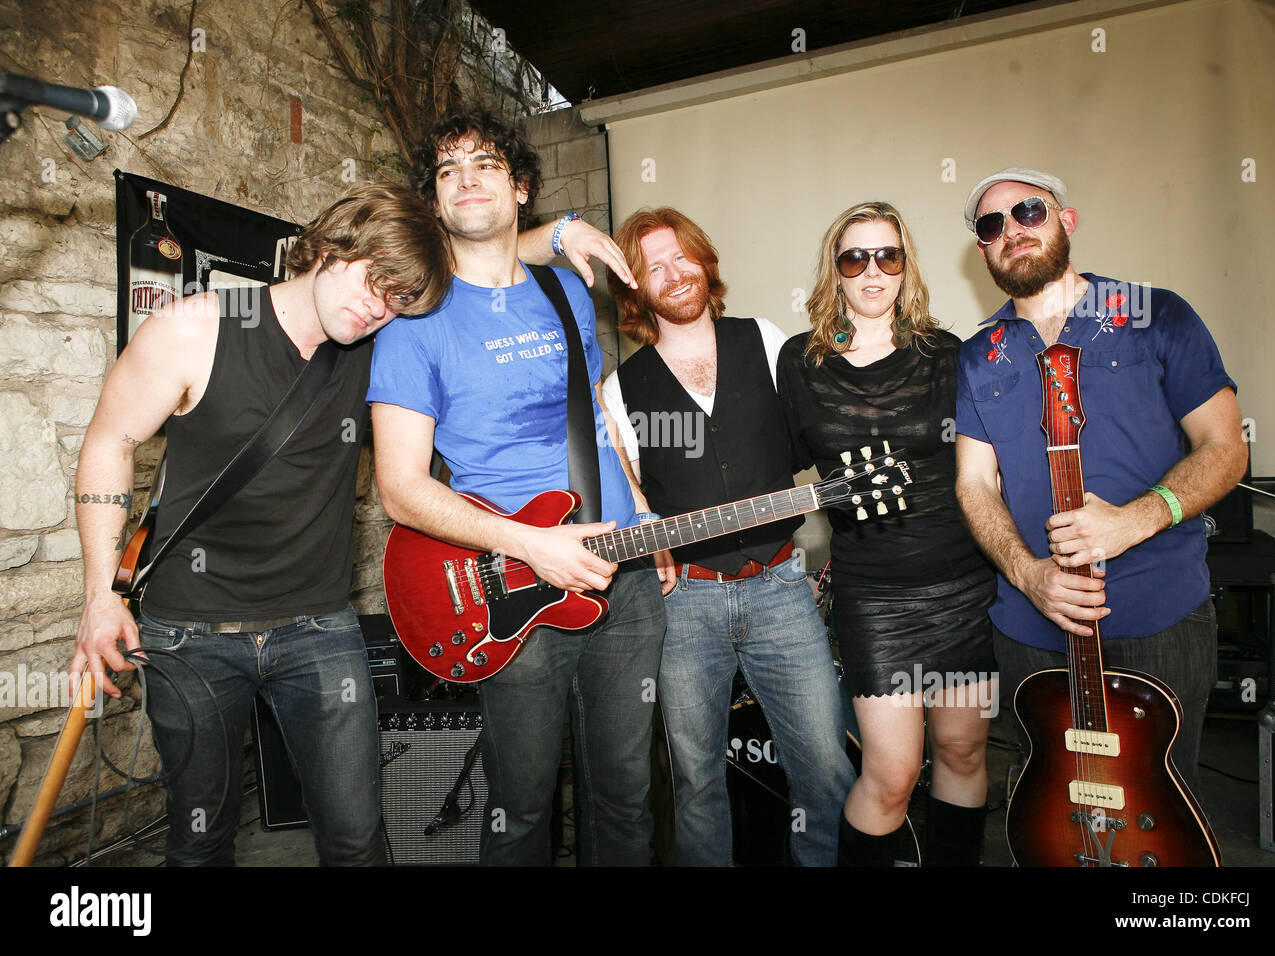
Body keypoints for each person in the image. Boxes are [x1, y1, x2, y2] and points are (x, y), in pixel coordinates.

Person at [70, 181, 634, 866]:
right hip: (188, 631)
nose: (377, 306)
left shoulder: (374, 342)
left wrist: (558, 233)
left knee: (358, 840)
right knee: (199, 841)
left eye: (397, 297)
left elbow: (480, 259)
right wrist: (100, 594)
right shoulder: (195, 328)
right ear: (330, 246)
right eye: (372, 279)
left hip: (318, 627)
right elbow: (109, 442)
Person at [367, 111, 666, 866]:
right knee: (522, 807)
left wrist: (641, 508)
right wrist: (532, 544)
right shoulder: (413, 322)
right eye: (448, 170)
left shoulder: (566, 292)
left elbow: (595, 412)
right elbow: (400, 489)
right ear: (435, 200)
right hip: (514, 587)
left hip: (625, 573)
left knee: (626, 795)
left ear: (521, 187)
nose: (467, 179)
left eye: (487, 164)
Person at [953, 166, 1247, 800]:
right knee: (1054, 810)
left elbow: (1225, 448)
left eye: (1030, 211)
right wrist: (1028, 575)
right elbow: (974, 484)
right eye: (993, 224)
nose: (1013, 230)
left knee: (1161, 809)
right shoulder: (979, 355)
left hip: (1157, 618)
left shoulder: (1155, 314)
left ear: (1067, 220)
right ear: (983, 249)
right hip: (1031, 630)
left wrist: (1135, 519)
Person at [602, 207, 856, 866]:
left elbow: (819, 428)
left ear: (704, 263)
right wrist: (640, 522)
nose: (673, 274)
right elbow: (631, 504)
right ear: (636, 289)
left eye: (682, 256)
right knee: (696, 786)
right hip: (684, 606)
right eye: (653, 267)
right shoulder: (621, 390)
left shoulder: (763, 340)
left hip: (781, 589)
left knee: (826, 771)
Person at [776, 201, 997, 867]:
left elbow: (987, 466)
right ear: (835, 271)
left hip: (963, 584)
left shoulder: (946, 354)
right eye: (855, 258)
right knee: (892, 775)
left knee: (963, 752)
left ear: (905, 267)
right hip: (873, 595)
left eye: (887, 256)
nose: (872, 271)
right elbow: (775, 465)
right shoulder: (801, 360)